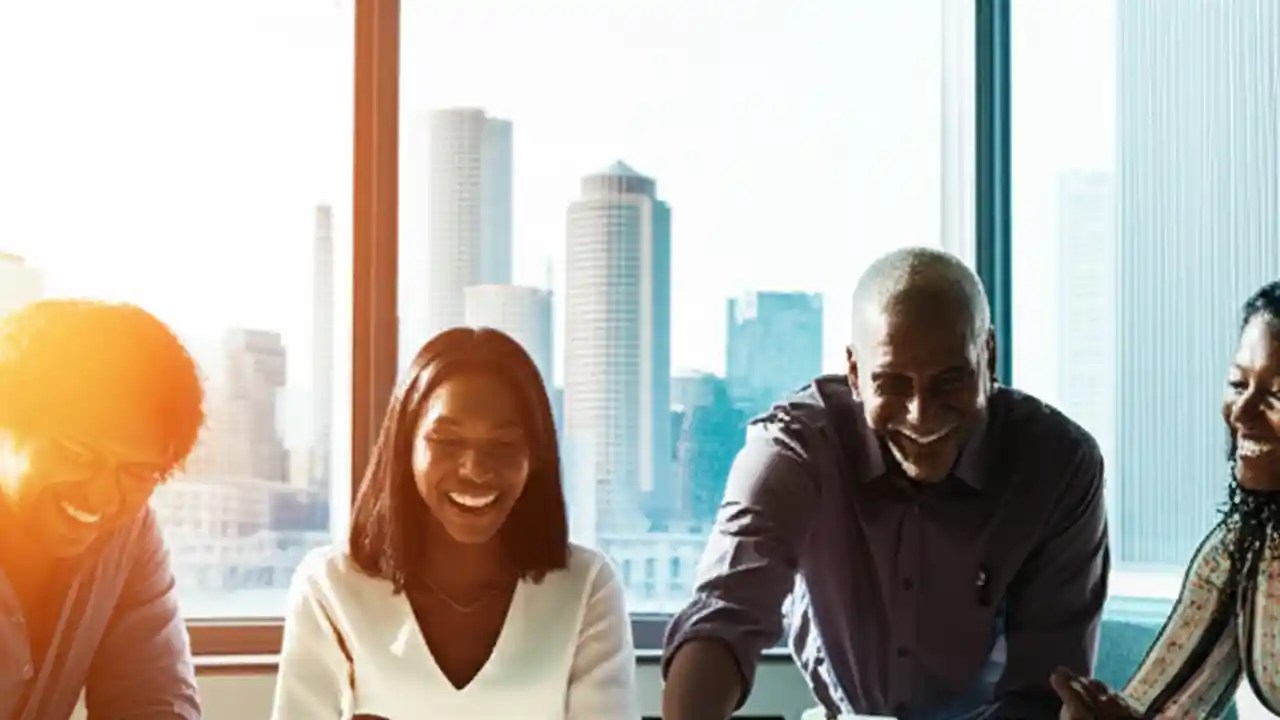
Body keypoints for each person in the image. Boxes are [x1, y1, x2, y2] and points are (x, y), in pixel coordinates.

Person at [662, 247, 1111, 720]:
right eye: (893, 383)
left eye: (949, 380)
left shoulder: (1059, 466)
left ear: (989, 357)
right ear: (855, 374)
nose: (922, 416)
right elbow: (724, 615)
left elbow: (1043, 691)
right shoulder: (795, 448)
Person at [271, 327, 638, 719]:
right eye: (446, 441)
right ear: (405, 446)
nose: (475, 469)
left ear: (536, 457)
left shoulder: (586, 586)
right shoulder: (330, 587)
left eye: (504, 444)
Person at [1052, 279, 1280, 719]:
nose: (1242, 413)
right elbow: (1157, 709)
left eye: (1276, 395)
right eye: (1238, 384)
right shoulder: (1245, 549)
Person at [0, 299, 205, 720]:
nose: (104, 497)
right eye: (78, 453)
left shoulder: (129, 534)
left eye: (138, 472)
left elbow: (153, 700)